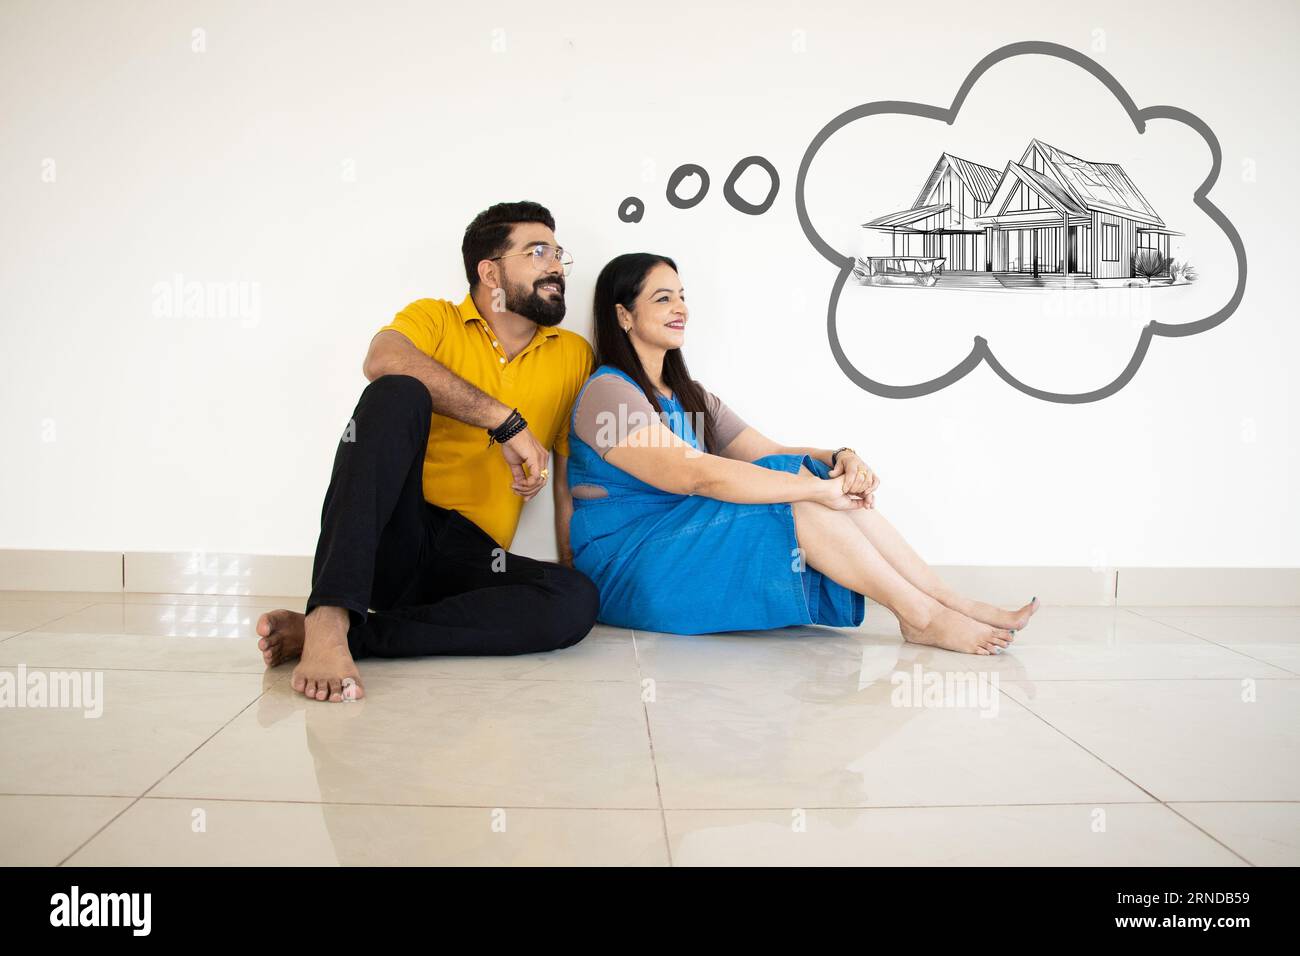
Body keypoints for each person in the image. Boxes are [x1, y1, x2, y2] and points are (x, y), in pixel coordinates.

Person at [565, 252, 1039, 653]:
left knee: (805, 474)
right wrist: (814, 489)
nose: (680, 308)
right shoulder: (610, 392)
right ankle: (919, 615)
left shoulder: (689, 394)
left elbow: (769, 451)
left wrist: (841, 457)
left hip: (680, 541)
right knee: (798, 491)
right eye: (662, 298)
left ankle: (944, 599)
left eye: (683, 295)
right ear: (624, 315)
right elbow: (695, 476)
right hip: (630, 567)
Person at [256, 201, 600, 702]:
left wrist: (567, 562)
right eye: (537, 251)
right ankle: (328, 614)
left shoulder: (573, 354)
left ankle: (356, 637)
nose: (555, 265)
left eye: (557, 253)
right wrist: (504, 421)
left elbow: (566, 471)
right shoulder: (434, 319)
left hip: (473, 558)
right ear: (490, 271)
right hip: (397, 534)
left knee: (575, 600)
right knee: (397, 391)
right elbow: (381, 358)